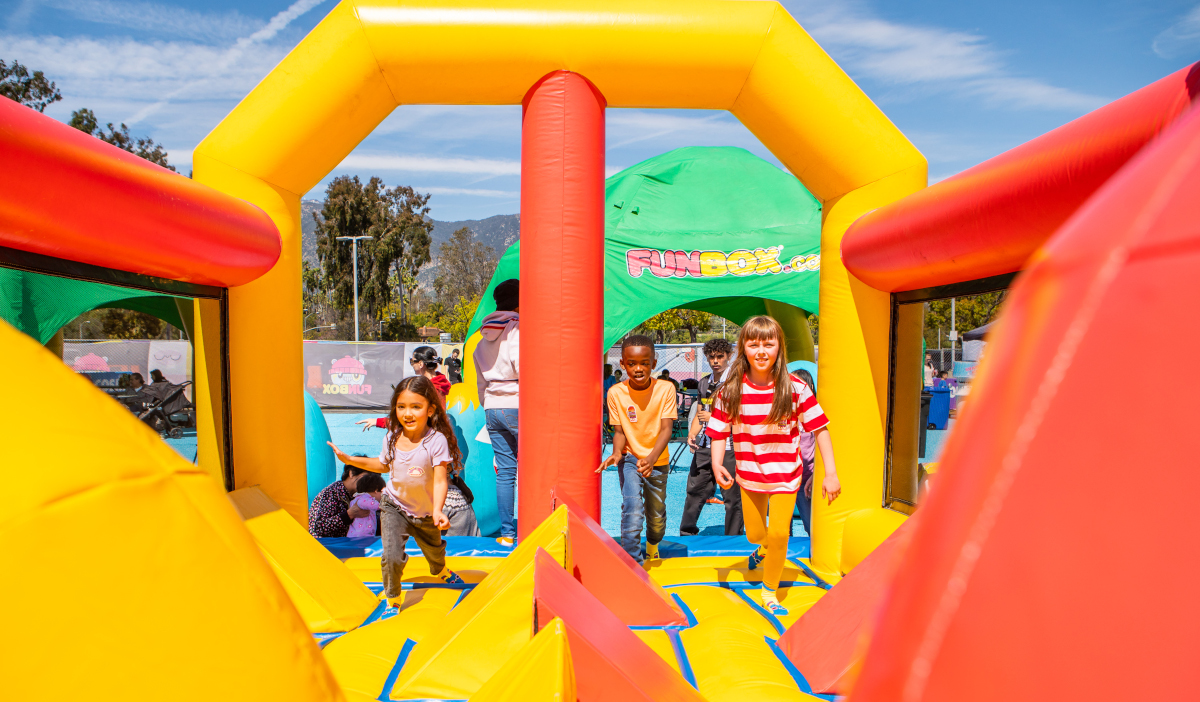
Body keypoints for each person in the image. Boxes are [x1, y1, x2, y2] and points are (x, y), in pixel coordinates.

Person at [706, 316, 842, 616]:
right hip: (750, 475)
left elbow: (821, 429)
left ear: (780, 347)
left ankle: (770, 590)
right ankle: (763, 548)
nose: (762, 351)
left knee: (780, 534)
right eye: (754, 344)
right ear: (743, 348)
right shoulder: (731, 390)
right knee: (756, 534)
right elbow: (718, 431)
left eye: (769, 343)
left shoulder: (796, 388)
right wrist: (717, 464)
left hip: (785, 474)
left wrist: (830, 473)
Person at [328, 376, 466, 606]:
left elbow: (441, 481)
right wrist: (349, 459)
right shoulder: (392, 438)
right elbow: (383, 465)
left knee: (434, 553)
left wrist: (438, 510)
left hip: (425, 512)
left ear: (430, 410)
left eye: (416, 407)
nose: (407, 413)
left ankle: (440, 569)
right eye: (401, 407)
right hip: (394, 506)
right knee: (391, 555)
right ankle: (393, 596)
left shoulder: (436, 441)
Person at [597, 335, 677, 564]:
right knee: (632, 506)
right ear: (622, 364)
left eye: (644, 363)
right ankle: (632, 562)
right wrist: (615, 453)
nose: (638, 369)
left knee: (656, 515)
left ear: (654, 362)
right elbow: (620, 432)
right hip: (630, 458)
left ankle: (652, 544)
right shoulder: (615, 393)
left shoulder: (665, 389)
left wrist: (651, 459)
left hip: (657, 459)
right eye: (631, 364)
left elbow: (666, 430)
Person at [679, 338, 743, 536]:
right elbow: (700, 411)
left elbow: (741, 416)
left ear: (728, 357)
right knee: (694, 491)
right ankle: (687, 534)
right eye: (711, 357)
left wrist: (714, 418)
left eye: (720, 357)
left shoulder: (736, 383)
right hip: (705, 445)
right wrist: (692, 434)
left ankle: (732, 538)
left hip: (729, 447)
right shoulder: (705, 382)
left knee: (732, 496)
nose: (715, 361)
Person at [474, 279, 520, 545]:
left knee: (505, 471)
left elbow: (481, 382)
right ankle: (530, 525)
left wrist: (489, 403)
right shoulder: (516, 329)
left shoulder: (483, 336)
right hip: (518, 402)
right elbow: (521, 364)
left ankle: (506, 534)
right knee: (528, 470)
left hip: (492, 405)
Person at [308, 461, 373, 538]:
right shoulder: (331, 493)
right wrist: (349, 515)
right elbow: (318, 527)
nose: (368, 484)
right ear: (351, 473)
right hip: (324, 545)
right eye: (366, 478)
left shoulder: (354, 495)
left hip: (343, 543)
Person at [793, 368, 818, 538]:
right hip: (785, 478)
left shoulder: (814, 414)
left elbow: (821, 448)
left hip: (806, 478)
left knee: (812, 525)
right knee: (779, 528)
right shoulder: (784, 412)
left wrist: (815, 474)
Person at [347, 472, 386, 538]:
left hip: (360, 536)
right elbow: (373, 505)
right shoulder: (363, 498)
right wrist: (386, 506)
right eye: (382, 492)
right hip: (360, 536)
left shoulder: (358, 498)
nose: (383, 496)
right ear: (376, 490)